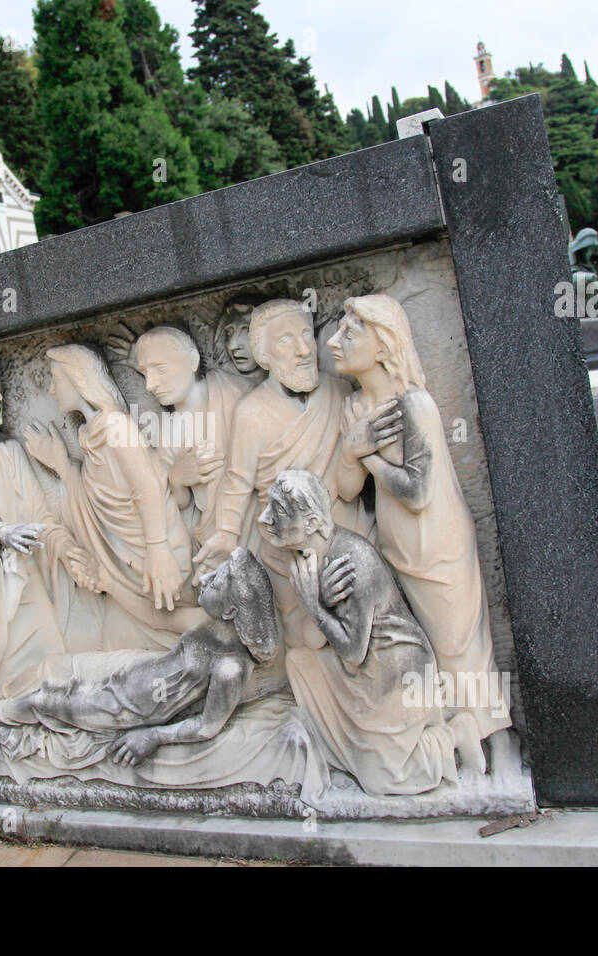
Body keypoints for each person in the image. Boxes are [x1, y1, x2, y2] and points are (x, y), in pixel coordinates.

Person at [330, 294, 513, 773]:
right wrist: (350, 454)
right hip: (396, 550)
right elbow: (347, 491)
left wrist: (367, 455)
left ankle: (503, 751)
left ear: (384, 343)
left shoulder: (414, 403)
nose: (335, 341)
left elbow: (415, 491)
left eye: (351, 332)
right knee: (429, 655)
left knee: (462, 654)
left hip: (439, 545)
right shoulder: (354, 408)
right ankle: (459, 748)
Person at [0, 548, 280, 765]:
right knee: (59, 674)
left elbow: (208, 725)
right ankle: (1, 698)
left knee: (47, 701)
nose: (205, 578)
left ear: (233, 609)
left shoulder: (230, 667)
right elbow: (157, 618)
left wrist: (152, 735)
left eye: (217, 582)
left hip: (130, 708)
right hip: (130, 676)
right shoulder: (211, 624)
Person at [260, 470, 456, 796]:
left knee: (384, 780)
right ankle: (347, 752)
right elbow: (310, 642)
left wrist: (314, 604)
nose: (265, 518)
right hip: (361, 671)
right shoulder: (309, 559)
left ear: (310, 524)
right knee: (299, 662)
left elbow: (353, 652)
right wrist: (319, 601)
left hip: (396, 669)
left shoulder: (352, 562)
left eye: (277, 511)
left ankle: (444, 741)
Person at [194, 299, 369, 647]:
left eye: (306, 334)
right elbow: (237, 482)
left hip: (350, 534)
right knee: (308, 641)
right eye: (286, 340)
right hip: (287, 553)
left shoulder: (340, 392)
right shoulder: (252, 413)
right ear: (264, 354)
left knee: (363, 624)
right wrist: (226, 532)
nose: (304, 350)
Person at [25, 344, 205, 649]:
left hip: (156, 551)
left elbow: (146, 485)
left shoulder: (115, 425)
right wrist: (63, 466)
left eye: (57, 378)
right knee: (128, 633)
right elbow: (98, 501)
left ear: (77, 379)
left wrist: (158, 551)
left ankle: (216, 634)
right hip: (132, 558)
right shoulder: (92, 433)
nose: (53, 389)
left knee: (166, 617)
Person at [0, 360, 97, 697]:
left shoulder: (11, 451)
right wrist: (0, 533)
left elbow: (40, 515)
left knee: (52, 670)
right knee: (16, 679)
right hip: (0, 592)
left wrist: (68, 551)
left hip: (32, 584)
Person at [134, 325, 245, 547]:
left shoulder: (237, 394)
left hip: (251, 524)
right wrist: (177, 479)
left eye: (160, 369)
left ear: (192, 360)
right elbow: (180, 503)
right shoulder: (170, 429)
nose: (150, 384)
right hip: (211, 536)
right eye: (145, 373)